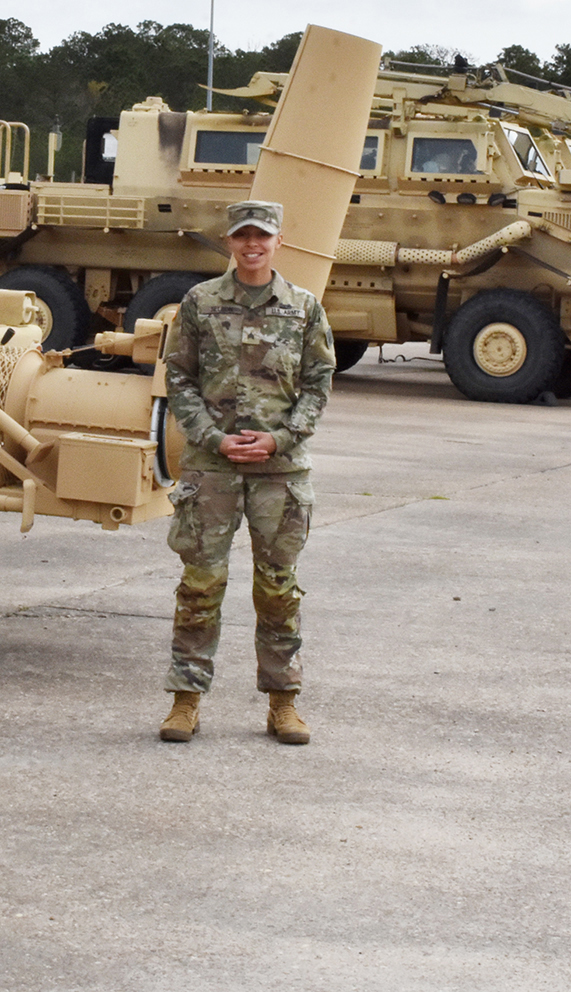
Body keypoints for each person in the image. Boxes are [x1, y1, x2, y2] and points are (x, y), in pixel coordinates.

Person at [158, 200, 335, 745]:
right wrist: (212, 437)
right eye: (242, 236)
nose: (252, 245)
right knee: (200, 584)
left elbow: (319, 382)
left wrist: (281, 437)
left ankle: (283, 704)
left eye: (262, 236)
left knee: (279, 588)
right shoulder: (200, 302)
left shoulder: (304, 307)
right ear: (230, 242)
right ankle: (185, 701)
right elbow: (178, 378)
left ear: (279, 241)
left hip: (279, 471)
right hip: (211, 467)